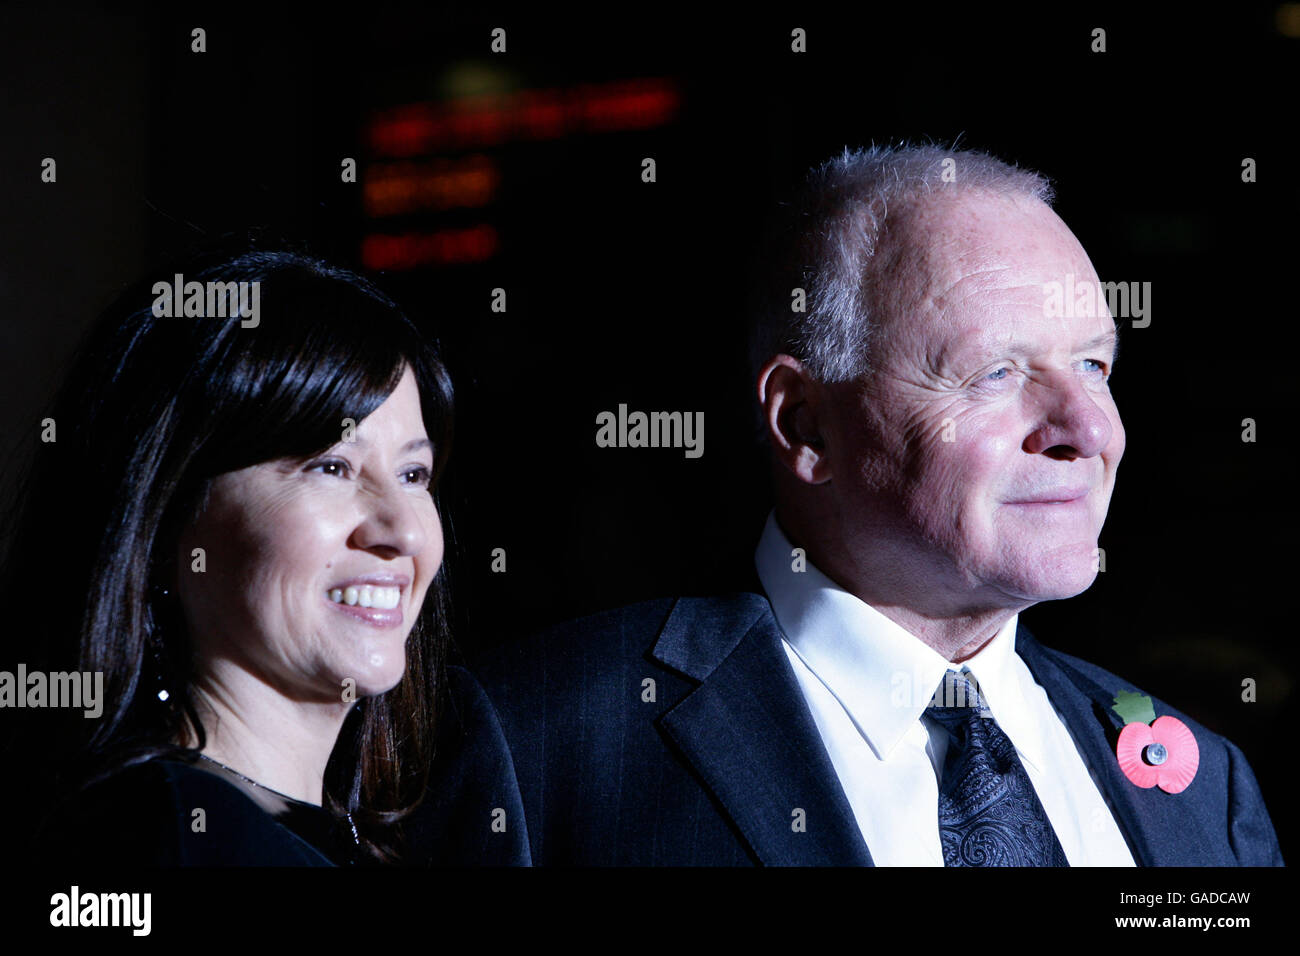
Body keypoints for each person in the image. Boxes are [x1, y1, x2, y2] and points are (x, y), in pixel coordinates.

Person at [470, 145, 1284, 866]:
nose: (1089, 429)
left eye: (1095, 366)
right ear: (805, 423)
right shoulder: (539, 745)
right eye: (996, 372)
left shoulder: (1204, 787)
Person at [1, 249, 528, 866]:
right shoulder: (169, 839)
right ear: (167, 516)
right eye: (332, 467)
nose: (404, 533)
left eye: (414, 473)